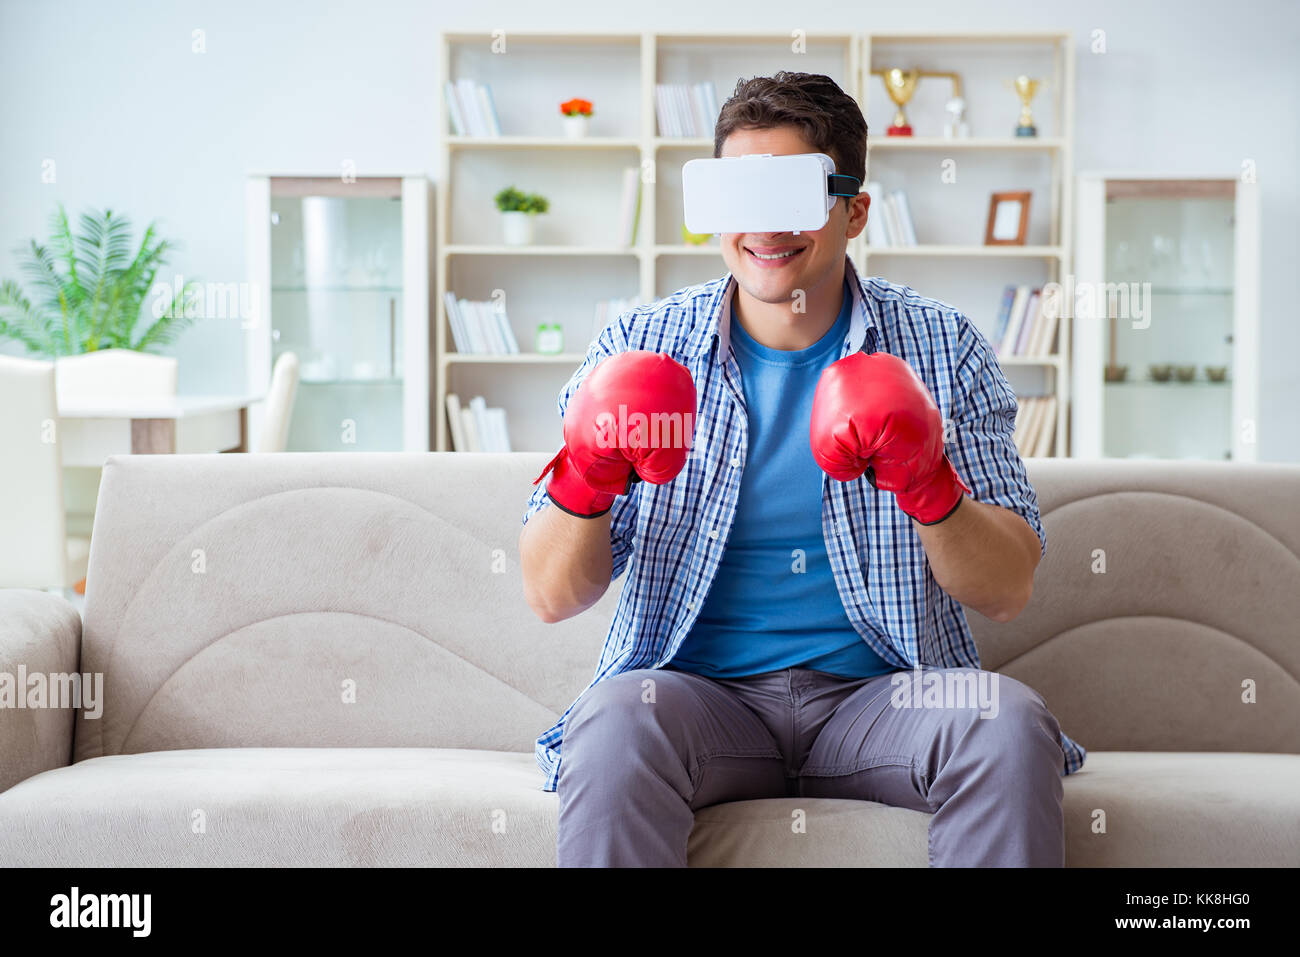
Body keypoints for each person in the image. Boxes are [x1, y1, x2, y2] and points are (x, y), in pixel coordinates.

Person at [518, 70, 1085, 867]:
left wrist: (928, 481)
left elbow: (1007, 589)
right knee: (612, 722)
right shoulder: (636, 345)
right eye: (740, 194)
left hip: (888, 696)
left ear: (855, 210)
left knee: (1007, 723)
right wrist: (586, 472)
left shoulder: (944, 346)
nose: (765, 225)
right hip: (693, 697)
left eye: (794, 194)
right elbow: (550, 594)